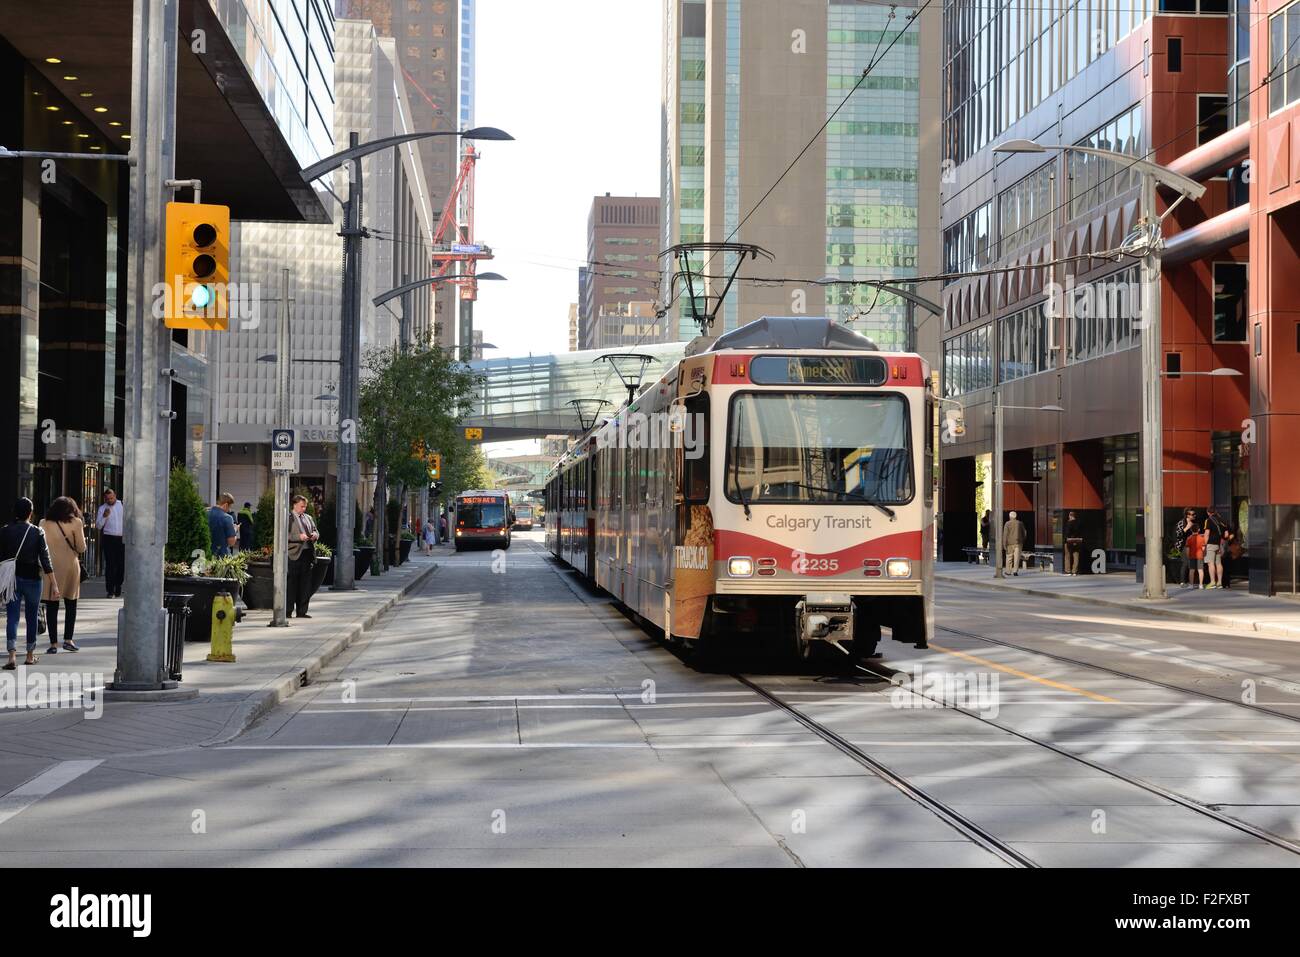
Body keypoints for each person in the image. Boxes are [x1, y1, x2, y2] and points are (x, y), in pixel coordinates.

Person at [2, 498, 60, 670]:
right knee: (32, 617)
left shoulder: (4, 531)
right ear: (30, 513)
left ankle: (12, 655)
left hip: (11, 579)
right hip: (33, 578)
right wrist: (54, 584)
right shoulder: (37, 532)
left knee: (12, 617)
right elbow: (45, 559)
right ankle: (29, 655)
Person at [40, 497, 86, 654]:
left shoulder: (43, 523)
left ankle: (53, 644)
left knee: (52, 606)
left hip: (50, 569)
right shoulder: (76, 523)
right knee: (71, 604)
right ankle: (68, 640)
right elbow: (81, 547)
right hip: (70, 568)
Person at [286, 494, 320, 619]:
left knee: (305, 584)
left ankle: (302, 611)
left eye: (305, 507)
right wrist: (298, 537)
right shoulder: (288, 518)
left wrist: (315, 535)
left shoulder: (308, 518)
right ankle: (288, 611)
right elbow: (284, 535)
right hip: (294, 554)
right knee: (291, 584)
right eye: (302, 506)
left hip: (307, 554)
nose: (304, 509)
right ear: (294, 505)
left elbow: (316, 530)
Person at [96, 488, 125, 598]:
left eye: (112, 498)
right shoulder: (102, 508)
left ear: (115, 496)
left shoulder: (121, 505)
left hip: (121, 538)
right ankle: (110, 590)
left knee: (121, 565)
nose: (110, 500)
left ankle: (118, 585)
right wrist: (104, 516)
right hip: (109, 538)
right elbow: (98, 526)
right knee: (110, 565)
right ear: (105, 499)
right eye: (108, 499)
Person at [207, 492, 239, 558]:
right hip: (221, 556)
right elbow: (231, 542)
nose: (229, 510)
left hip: (205, 554)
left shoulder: (205, 512)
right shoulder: (227, 517)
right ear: (226, 505)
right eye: (230, 507)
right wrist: (235, 529)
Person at [1203, 505, 1227, 590]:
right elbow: (1226, 534)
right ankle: (1220, 583)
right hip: (1219, 544)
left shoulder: (1208, 520)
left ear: (1208, 513)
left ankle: (1213, 582)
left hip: (1211, 544)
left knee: (1211, 563)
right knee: (1219, 563)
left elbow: (1207, 534)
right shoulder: (1222, 520)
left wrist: (1204, 545)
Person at [1174, 509, 1198, 589]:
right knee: (1185, 563)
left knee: (1192, 564)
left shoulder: (1194, 523)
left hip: (1192, 546)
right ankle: (1182, 582)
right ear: (1187, 515)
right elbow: (1178, 535)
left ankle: (1191, 582)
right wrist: (1187, 527)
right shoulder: (1181, 523)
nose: (1194, 515)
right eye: (1192, 514)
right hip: (1184, 546)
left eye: (1195, 514)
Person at [1003, 510, 1026, 575]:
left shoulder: (1007, 523)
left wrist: (1004, 544)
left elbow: (1005, 535)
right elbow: (1024, 532)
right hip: (1018, 543)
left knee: (1009, 557)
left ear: (1010, 516)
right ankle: (1015, 571)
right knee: (1017, 557)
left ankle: (1008, 571)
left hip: (1009, 543)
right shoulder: (1020, 523)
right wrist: (1022, 540)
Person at [1185, 522, 1206, 590]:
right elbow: (1203, 548)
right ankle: (1201, 585)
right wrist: (1204, 554)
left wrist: (1188, 556)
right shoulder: (1202, 538)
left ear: (1191, 530)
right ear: (1199, 530)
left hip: (1192, 556)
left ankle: (1191, 584)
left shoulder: (1189, 539)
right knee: (1200, 570)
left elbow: (1187, 549)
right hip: (1200, 556)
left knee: (1192, 570)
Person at [1064, 510, 1083, 576]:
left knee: (1067, 556)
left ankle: (1068, 571)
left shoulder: (1069, 523)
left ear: (1070, 516)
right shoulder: (1079, 523)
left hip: (1069, 541)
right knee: (1076, 556)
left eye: (1069, 516)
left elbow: (1067, 533)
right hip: (1077, 541)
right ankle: (1074, 571)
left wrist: (1066, 539)